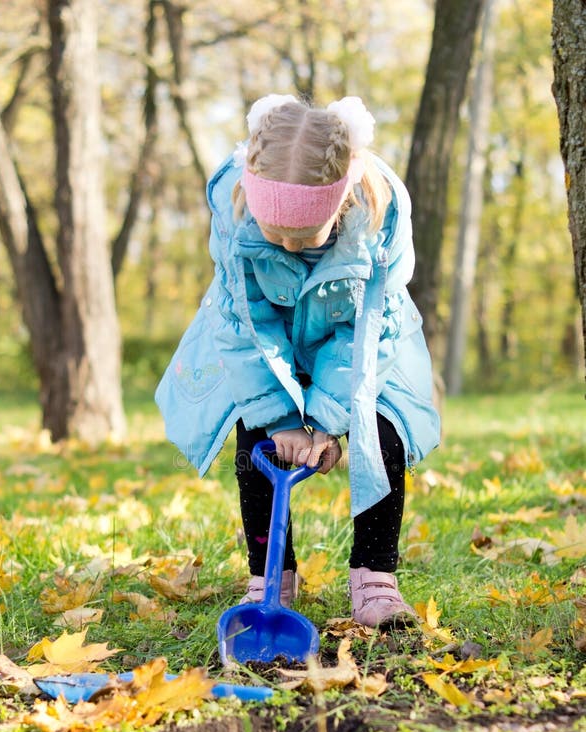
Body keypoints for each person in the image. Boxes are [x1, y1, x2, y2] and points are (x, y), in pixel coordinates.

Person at [156, 94, 440, 627]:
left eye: (304, 235)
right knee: (255, 437)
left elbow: (364, 337)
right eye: (274, 231)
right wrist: (285, 421)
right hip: (265, 347)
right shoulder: (235, 216)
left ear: (341, 203)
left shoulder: (377, 228)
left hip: (362, 348)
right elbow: (246, 327)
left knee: (380, 430)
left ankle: (375, 576)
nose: (287, 244)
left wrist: (328, 422)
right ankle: (270, 577)